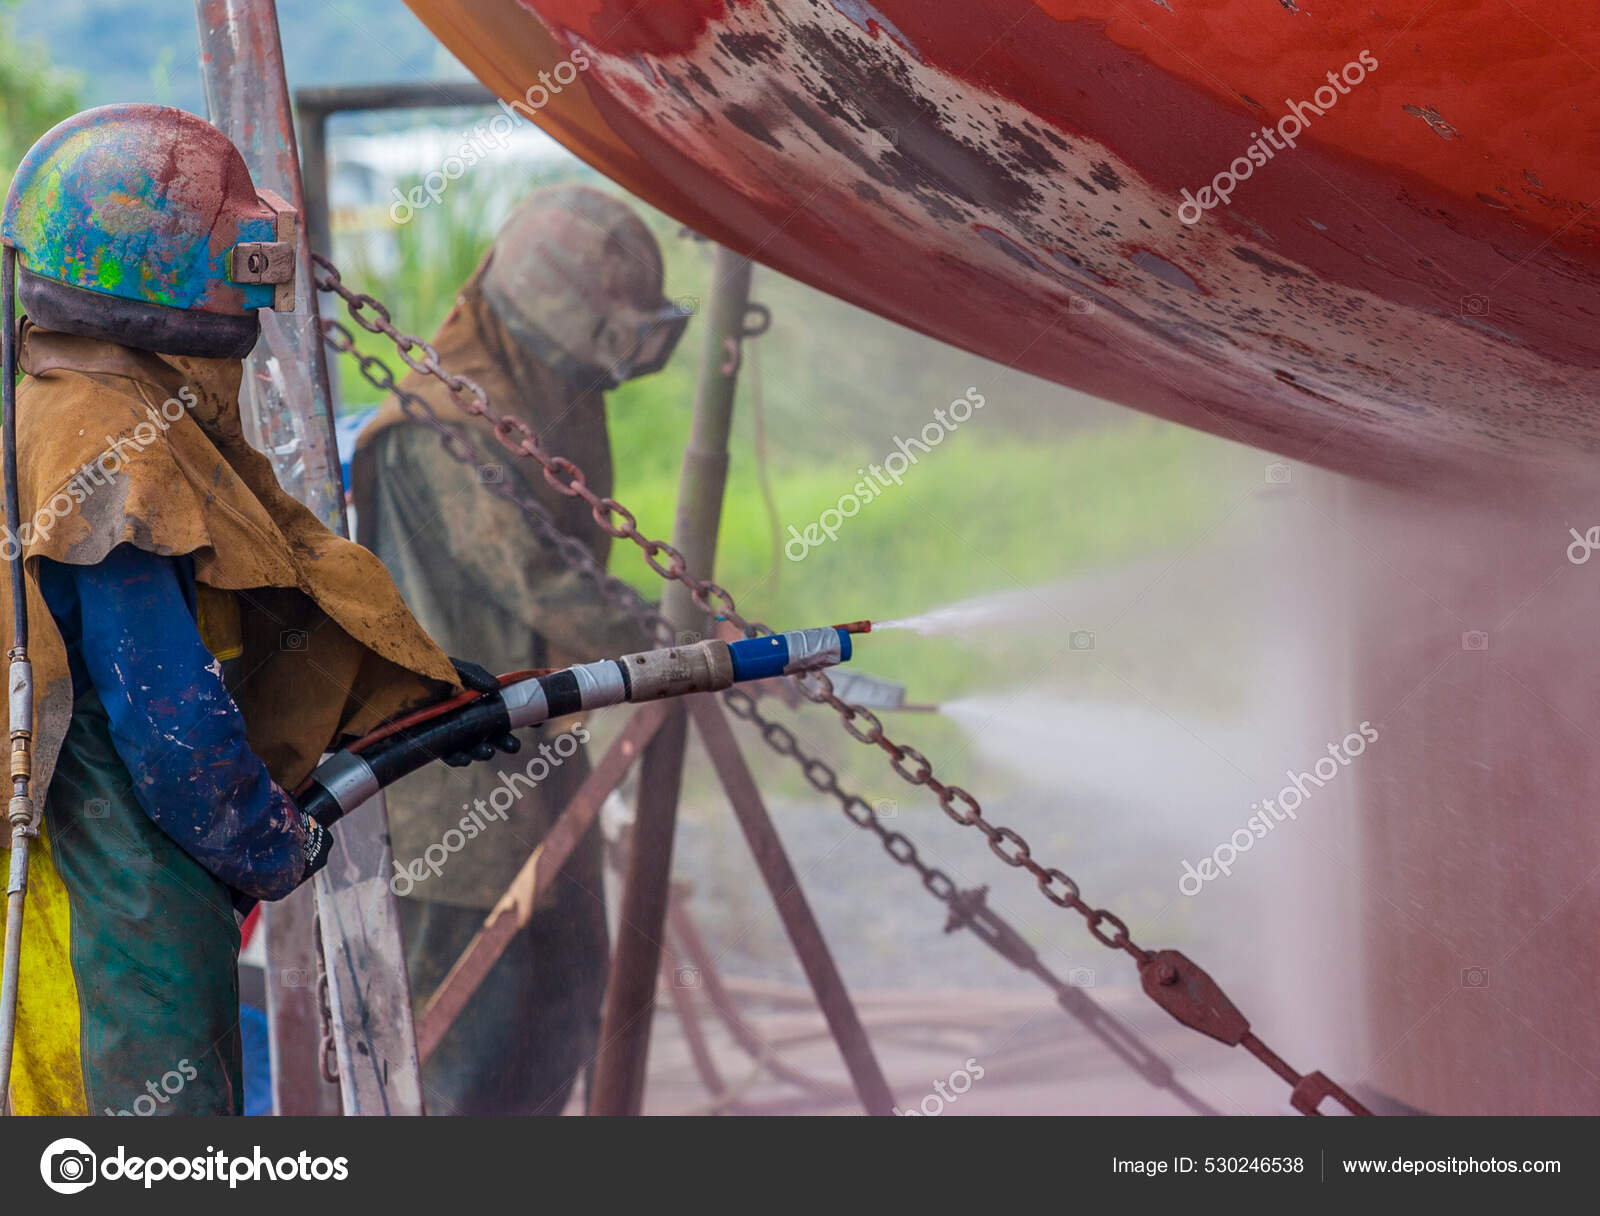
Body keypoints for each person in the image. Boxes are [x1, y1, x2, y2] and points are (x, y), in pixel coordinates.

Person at [0, 103, 481, 1115]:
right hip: (118, 907)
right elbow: (172, 728)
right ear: (167, 277)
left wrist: (418, 702)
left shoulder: (79, 394)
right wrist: (274, 841)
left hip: (110, 878)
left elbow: (256, 602)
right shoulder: (110, 443)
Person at [350, 186, 689, 1115]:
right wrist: (691, 652)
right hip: (450, 788)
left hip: (541, 758)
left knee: (569, 1008)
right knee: (473, 1046)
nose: (615, 371)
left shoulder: (548, 392)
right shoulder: (448, 426)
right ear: (554, 322)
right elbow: (540, 579)